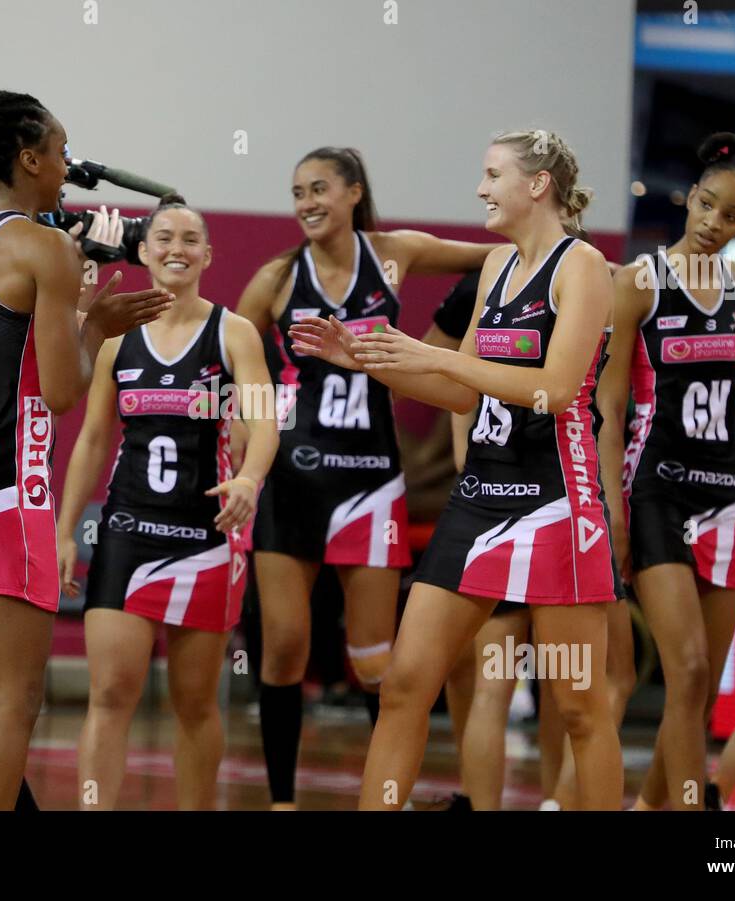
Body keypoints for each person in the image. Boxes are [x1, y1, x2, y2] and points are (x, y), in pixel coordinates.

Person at [291, 130, 623, 810]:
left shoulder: (582, 266)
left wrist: (428, 353)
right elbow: (464, 394)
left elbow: (555, 389)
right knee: (407, 682)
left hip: (556, 498)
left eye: (493, 174)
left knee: (582, 707)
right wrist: (372, 360)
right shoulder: (497, 270)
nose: (480, 188)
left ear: (538, 185)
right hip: (480, 498)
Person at [0, 90, 172, 810]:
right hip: (2, 492)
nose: (66, 165)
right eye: (61, 149)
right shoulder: (45, 247)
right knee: (13, 700)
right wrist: (94, 326)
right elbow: (61, 392)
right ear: (28, 156)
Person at [236, 146, 497, 809]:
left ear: (354, 191)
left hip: (371, 478)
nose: (306, 202)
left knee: (377, 658)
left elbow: (493, 256)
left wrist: (586, 262)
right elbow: (240, 371)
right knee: (286, 647)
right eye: (297, 192)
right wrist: (250, 454)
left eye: (319, 187)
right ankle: (282, 799)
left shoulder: (393, 252)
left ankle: (390, 793)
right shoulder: (275, 277)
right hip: (292, 478)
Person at [58, 202, 279, 809]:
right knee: (109, 695)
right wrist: (64, 532)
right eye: (163, 237)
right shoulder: (117, 337)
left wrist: (250, 480)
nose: (176, 247)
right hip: (126, 532)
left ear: (207, 255)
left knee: (194, 702)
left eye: (190, 239)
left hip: (203, 536)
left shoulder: (233, 334)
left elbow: (265, 424)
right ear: (145, 250)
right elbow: (93, 440)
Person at [600, 132, 735, 810]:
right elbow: (609, 404)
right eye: (706, 204)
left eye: (730, 216)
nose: (711, 223)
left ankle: (653, 804)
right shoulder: (637, 282)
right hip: (656, 490)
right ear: (690, 197)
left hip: (727, 491)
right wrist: (612, 504)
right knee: (690, 664)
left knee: (698, 689)